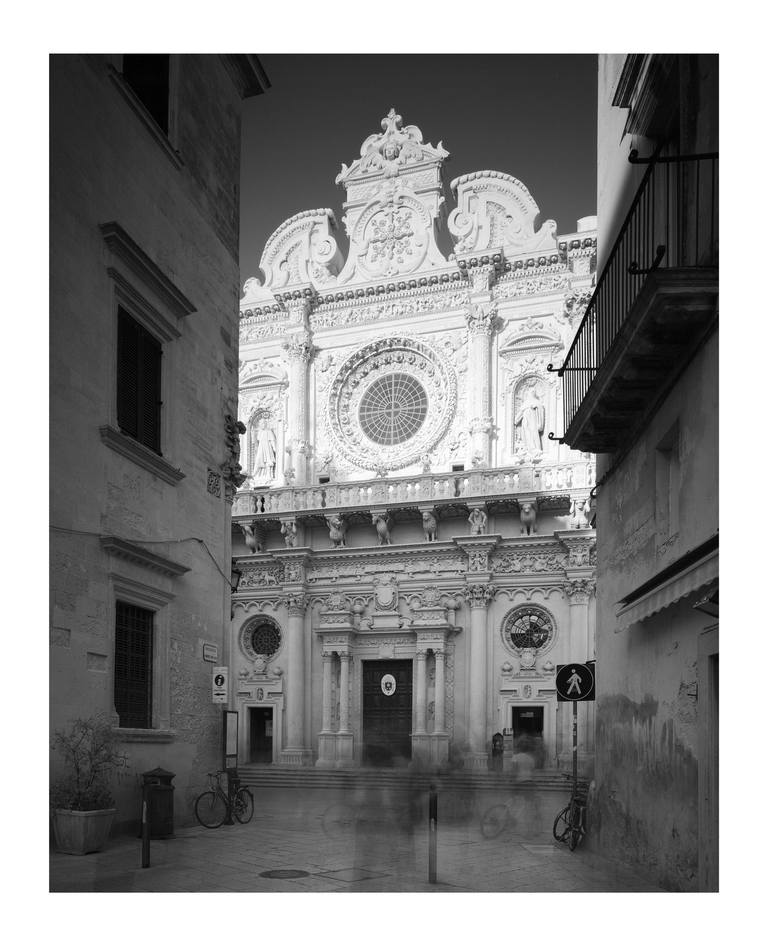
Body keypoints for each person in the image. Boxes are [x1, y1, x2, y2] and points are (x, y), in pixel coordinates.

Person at [515, 386, 545, 453]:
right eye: (531, 392)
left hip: (533, 421)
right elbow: (521, 412)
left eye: (533, 392)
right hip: (525, 421)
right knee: (526, 433)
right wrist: (516, 420)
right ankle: (527, 448)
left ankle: (535, 448)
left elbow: (541, 408)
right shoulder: (526, 402)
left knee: (533, 432)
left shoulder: (537, 402)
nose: (532, 393)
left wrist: (536, 406)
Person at [252, 417, 276, 483]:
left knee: (268, 460)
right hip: (261, 448)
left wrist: (274, 448)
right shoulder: (260, 432)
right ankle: (256, 474)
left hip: (267, 447)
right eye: (261, 423)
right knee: (259, 460)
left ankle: (269, 475)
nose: (262, 424)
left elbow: (272, 440)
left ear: (265, 424)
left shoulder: (268, 431)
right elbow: (256, 442)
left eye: (263, 423)